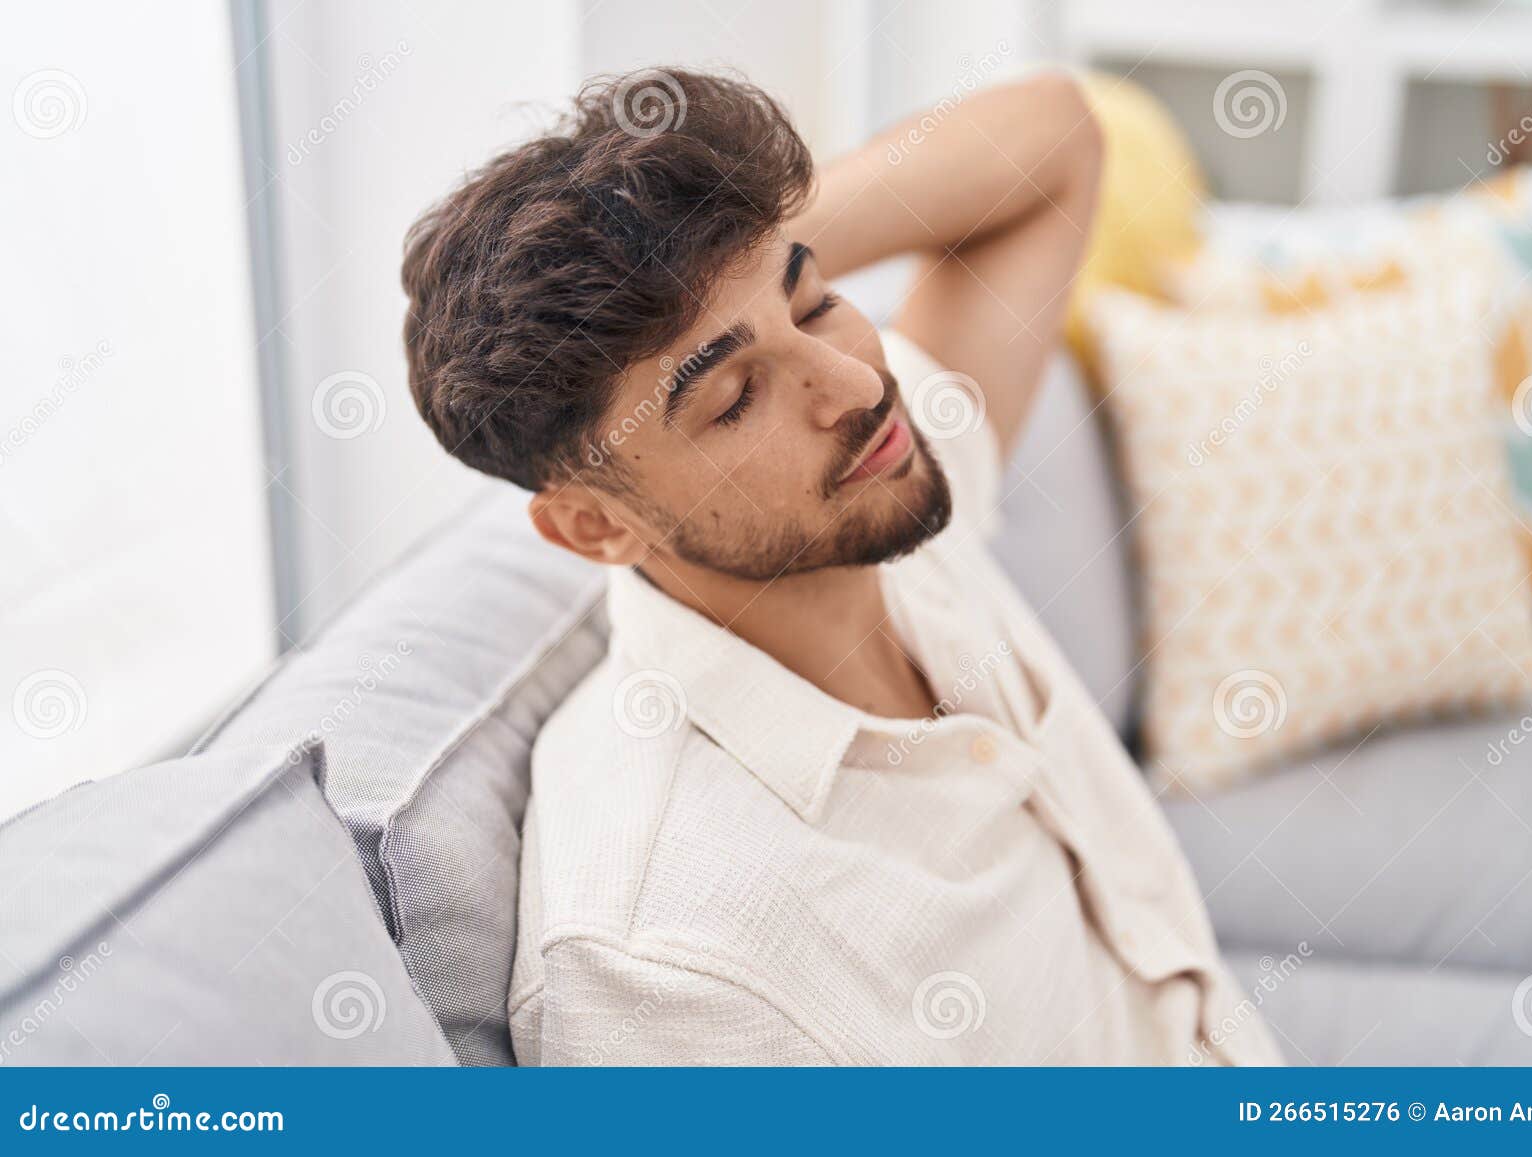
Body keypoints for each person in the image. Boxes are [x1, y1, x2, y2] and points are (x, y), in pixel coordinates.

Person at [401, 66, 1280, 1066]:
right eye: (735, 398)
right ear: (597, 526)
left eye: (816, 302)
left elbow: (1054, 137)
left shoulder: (875, 499)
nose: (858, 384)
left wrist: (715, 242)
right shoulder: (671, 970)